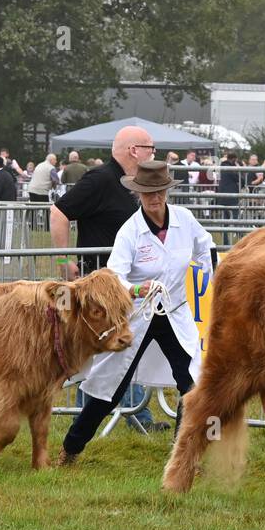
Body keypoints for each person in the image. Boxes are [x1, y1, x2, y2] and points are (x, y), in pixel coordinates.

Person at [59, 159, 215, 463]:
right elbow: (116, 274)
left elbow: (206, 249)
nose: (155, 198)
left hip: (175, 313)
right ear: (138, 195)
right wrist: (136, 288)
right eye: (148, 193)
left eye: (160, 191)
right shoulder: (130, 231)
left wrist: (215, 278)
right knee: (111, 389)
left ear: (168, 191)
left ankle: (184, 455)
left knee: (192, 382)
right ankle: (71, 448)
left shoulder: (185, 220)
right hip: (139, 316)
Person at [50, 126, 151, 279]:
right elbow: (58, 213)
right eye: (151, 148)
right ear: (134, 151)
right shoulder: (100, 179)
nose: (153, 154)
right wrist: (63, 261)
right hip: (99, 283)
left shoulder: (129, 181)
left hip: (125, 279)